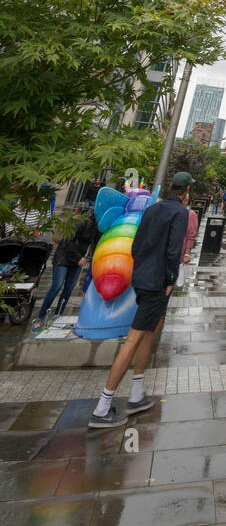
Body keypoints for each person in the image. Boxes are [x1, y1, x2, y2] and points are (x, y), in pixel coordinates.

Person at [87, 171, 191, 430]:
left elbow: (136, 246)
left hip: (142, 277)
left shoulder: (152, 209)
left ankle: (136, 393)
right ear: (186, 192)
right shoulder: (180, 213)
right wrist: (170, 280)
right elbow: (173, 250)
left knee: (149, 333)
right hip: (158, 283)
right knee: (134, 339)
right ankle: (102, 407)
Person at [32, 209, 100, 331]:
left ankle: (58, 314)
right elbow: (68, 241)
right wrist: (79, 257)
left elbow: (95, 244)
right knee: (56, 286)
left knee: (68, 288)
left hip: (77, 260)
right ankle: (40, 317)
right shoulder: (81, 222)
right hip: (63, 257)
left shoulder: (97, 227)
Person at [176, 190, 199, 288]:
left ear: (186, 201)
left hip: (179, 251)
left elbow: (191, 236)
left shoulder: (191, 215)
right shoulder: (173, 211)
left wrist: (187, 253)